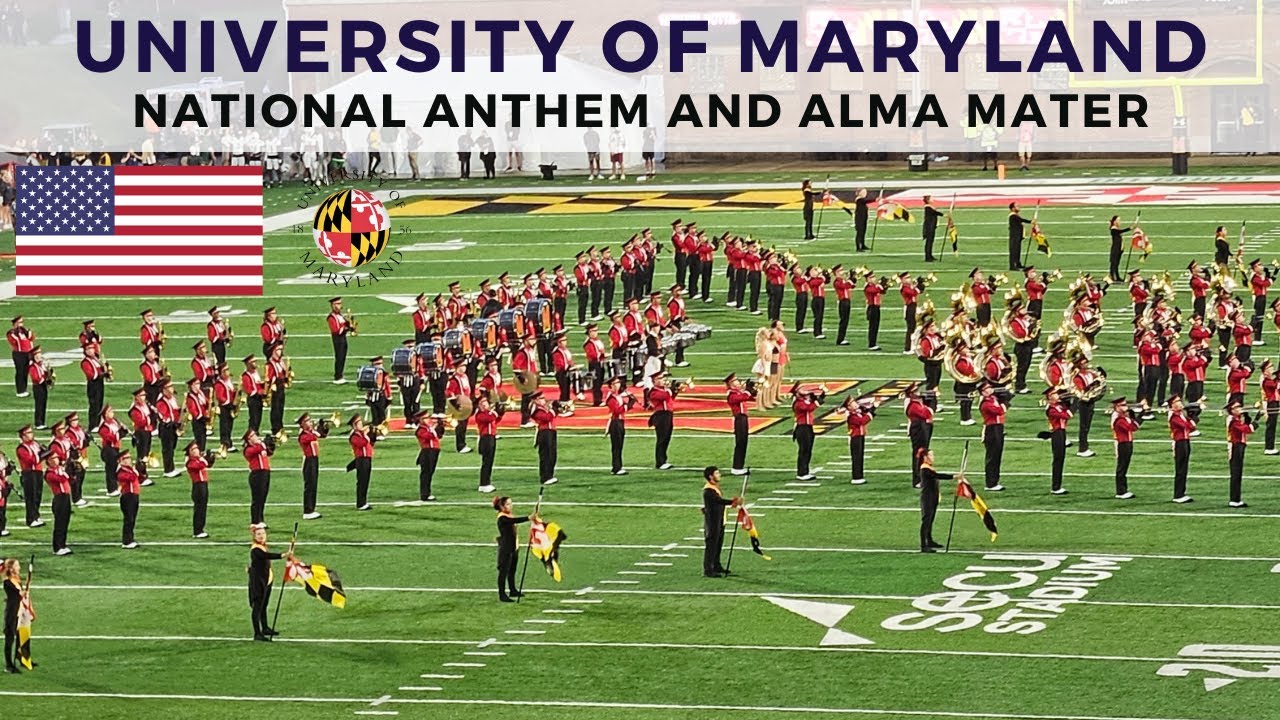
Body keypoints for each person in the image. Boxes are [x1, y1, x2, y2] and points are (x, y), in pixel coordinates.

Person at [248, 525, 289, 641]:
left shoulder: (262, 546)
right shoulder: (256, 549)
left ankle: (265, 628)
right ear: (254, 536)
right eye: (259, 534)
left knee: (264, 605)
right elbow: (266, 556)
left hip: (266, 581)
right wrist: (283, 555)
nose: (261, 536)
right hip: (258, 583)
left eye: (263, 534)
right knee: (257, 607)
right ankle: (257, 633)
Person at [701, 467, 741, 577]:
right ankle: (708, 569)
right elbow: (718, 501)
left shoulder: (714, 488)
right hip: (713, 523)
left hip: (720, 521)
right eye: (717, 473)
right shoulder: (708, 490)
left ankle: (716, 565)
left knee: (718, 545)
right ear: (710, 476)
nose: (719, 475)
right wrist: (733, 502)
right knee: (711, 546)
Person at [917, 449, 957, 553]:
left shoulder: (929, 468)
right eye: (931, 455)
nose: (933, 457)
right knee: (926, 521)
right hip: (927, 498)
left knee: (930, 520)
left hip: (933, 497)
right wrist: (954, 476)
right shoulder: (925, 469)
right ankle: (923, 545)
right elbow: (938, 476)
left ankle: (929, 540)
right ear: (925, 457)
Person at [494, 496, 530, 602]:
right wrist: (528, 517)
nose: (511, 506)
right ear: (501, 506)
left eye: (511, 503)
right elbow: (514, 520)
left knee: (512, 570)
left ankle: (512, 589)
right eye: (508, 504)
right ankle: (502, 594)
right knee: (503, 572)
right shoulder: (502, 518)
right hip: (506, 549)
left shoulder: (508, 515)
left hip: (514, 547)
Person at [838, 397, 876, 485]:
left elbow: (865, 413)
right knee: (856, 458)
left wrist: (872, 407)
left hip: (860, 436)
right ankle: (856, 477)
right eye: (852, 402)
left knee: (860, 457)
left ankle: (860, 476)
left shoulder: (858, 412)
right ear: (849, 406)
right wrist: (872, 410)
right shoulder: (851, 416)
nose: (855, 403)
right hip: (855, 437)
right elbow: (862, 421)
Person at [1110, 398, 1141, 500]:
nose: (1125, 406)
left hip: (1128, 442)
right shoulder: (1118, 419)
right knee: (1121, 467)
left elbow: (1135, 427)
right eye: (1122, 405)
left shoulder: (1123, 417)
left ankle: (1124, 489)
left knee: (1124, 466)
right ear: (1117, 407)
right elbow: (1130, 427)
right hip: (1122, 443)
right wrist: (1134, 418)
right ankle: (1120, 490)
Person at [791, 383, 823, 481]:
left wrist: (822, 393)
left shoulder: (804, 400)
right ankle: (801, 472)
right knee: (804, 450)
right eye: (801, 389)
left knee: (808, 450)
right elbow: (809, 408)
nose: (804, 390)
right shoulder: (798, 403)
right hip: (802, 428)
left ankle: (805, 470)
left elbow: (814, 400)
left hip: (808, 427)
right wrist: (818, 400)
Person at [242, 430, 274, 528]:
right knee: (257, 498)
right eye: (253, 435)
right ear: (249, 439)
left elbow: (269, 452)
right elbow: (259, 449)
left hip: (265, 473)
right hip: (257, 474)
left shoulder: (260, 446)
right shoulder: (248, 449)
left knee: (263, 497)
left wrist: (271, 444)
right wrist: (263, 442)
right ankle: (255, 521)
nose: (256, 436)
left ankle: (260, 519)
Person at [725, 374, 755, 476]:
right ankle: (736, 467)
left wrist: (752, 390)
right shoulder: (731, 394)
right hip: (739, 419)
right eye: (736, 381)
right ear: (731, 384)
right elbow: (743, 397)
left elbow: (750, 397)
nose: (738, 382)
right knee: (740, 442)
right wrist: (747, 390)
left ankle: (739, 466)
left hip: (743, 418)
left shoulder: (737, 392)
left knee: (743, 442)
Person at [1044, 387, 1072, 496]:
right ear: (1050, 397)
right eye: (1054, 394)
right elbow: (1067, 416)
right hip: (1057, 433)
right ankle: (1055, 486)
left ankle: (1058, 485)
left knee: (1061, 459)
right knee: (1058, 460)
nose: (1057, 395)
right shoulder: (1051, 409)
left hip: (1062, 432)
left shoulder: (1059, 406)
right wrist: (1073, 405)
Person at [979, 383, 1006, 491]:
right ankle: (990, 483)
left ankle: (995, 481)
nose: (990, 389)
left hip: (998, 428)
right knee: (992, 457)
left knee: (997, 456)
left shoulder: (993, 398)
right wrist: (1004, 403)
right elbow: (999, 411)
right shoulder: (985, 403)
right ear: (983, 392)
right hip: (991, 429)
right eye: (988, 388)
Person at [1168, 395, 1195, 503]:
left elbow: (1191, 427)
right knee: (1180, 469)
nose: (1180, 403)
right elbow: (1186, 426)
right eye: (1177, 401)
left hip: (1185, 441)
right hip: (1179, 443)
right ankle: (1178, 494)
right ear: (1172, 405)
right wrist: (1192, 418)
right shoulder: (1174, 416)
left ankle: (1181, 493)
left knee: (1184, 468)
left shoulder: (1180, 415)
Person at [44, 452, 72, 555]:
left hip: (66, 497)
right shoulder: (49, 473)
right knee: (59, 523)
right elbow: (62, 479)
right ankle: (57, 547)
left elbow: (69, 480)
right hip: (59, 498)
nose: (56, 460)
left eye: (56, 458)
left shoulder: (59, 469)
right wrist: (68, 472)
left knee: (65, 522)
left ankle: (63, 545)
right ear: (48, 461)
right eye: (53, 458)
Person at [605, 377, 634, 476]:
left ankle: (618, 466)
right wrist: (628, 405)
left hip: (620, 421)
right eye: (616, 383)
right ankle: (616, 467)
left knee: (619, 445)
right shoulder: (611, 397)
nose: (618, 385)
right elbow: (617, 410)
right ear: (611, 385)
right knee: (616, 446)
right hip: (615, 422)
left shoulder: (617, 396)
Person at [474, 396, 504, 493]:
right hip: (485, 438)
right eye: (484, 402)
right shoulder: (480, 414)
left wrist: (500, 413)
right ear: (480, 405)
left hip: (491, 437)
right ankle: (484, 483)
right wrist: (495, 411)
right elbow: (490, 418)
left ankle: (486, 482)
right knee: (486, 462)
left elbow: (495, 420)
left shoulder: (487, 413)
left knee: (489, 461)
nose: (486, 403)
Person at [347, 415, 376, 510]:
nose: (361, 425)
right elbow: (362, 443)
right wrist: (365, 434)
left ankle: (364, 502)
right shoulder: (354, 436)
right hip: (361, 460)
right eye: (359, 423)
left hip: (367, 459)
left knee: (366, 481)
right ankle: (360, 503)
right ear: (354, 426)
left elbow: (370, 444)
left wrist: (373, 434)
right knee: (362, 482)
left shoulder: (361, 434)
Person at [530, 393, 559, 486]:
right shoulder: (536, 409)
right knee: (545, 455)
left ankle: (550, 475)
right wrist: (554, 409)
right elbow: (547, 418)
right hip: (544, 433)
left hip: (551, 431)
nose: (544, 400)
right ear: (536, 400)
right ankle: (545, 477)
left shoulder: (544, 407)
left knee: (552, 455)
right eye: (541, 398)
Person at [649, 373, 677, 470]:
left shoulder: (664, 390)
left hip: (668, 414)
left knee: (667, 438)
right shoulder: (653, 392)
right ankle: (660, 462)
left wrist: (675, 389)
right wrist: (671, 388)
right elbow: (665, 396)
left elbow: (670, 398)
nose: (662, 380)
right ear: (654, 381)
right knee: (661, 439)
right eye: (660, 378)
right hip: (661, 416)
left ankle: (664, 460)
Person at [415, 413, 445, 502]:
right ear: (421, 420)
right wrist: (434, 426)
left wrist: (440, 425)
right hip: (427, 452)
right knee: (426, 474)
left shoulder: (430, 428)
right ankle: (425, 494)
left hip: (434, 452)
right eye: (426, 418)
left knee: (430, 473)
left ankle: (427, 493)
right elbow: (429, 436)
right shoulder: (420, 430)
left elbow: (439, 435)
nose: (430, 420)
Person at [116, 448, 141, 549]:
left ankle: (130, 538)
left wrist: (142, 470)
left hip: (134, 495)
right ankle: (126, 541)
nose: (130, 460)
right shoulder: (121, 472)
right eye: (127, 458)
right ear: (122, 461)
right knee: (129, 519)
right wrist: (136, 469)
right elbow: (131, 478)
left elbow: (140, 478)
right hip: (128, 497)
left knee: (132, 519)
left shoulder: (129, 470)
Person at [6, 316, 36, 399]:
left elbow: (31, 338)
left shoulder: (24, 331)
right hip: (19, 354)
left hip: (28, 353)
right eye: (20, 322)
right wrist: (18, 332)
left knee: (25, 372)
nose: (22, 324)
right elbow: (15, 341)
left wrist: (28, 332)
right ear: (15, 323)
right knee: (20, 372)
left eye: (22, 322)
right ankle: (20, 390)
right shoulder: (11, 332)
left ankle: (24, 389)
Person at [327, 297, 353, 384]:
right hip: (338, 339)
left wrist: (350, 325)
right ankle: (337, 376)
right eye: (338, 304)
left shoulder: (341, 316)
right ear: (333, 305)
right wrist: (345, 327)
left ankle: (341, 375)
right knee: (339, 357)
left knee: (343, 357)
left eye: (340, 303)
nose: (340, 306)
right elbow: (336, 330)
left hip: (343, 338)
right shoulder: (331, 317)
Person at [3, 558, 23, 673]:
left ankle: (20, 658)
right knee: (9, 640)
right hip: (11, 614)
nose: (19, 568)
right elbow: (17, 594)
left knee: (20, 637)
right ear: (11, 569)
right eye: (17, 565)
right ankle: (9, 665)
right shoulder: (8, 582)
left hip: (19, 612)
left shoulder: (17, 581)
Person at [1007, 203, 1031, 271]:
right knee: (1013, 251)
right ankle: (1012, 266)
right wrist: (1031, 221)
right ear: (1013, 208)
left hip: (1017, 236)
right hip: (1014, 236)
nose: (1019, 207)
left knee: (1017, 251)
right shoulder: (1013, 216)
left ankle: (1018, 264)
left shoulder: (1015, 215)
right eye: (1017, 206)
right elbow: (1021, 220)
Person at [1107, 217, 1130, 282]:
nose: (1120, 222)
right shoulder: (1113, 229)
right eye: (1118, 220)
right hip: (1115, 248)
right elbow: (1120, 231)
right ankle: (1113, 277)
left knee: (1116, 264)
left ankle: (1117, 277)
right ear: (1114, 221)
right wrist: (1130, 228)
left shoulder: (1116, 228)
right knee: (1114, 263)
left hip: (1118, 248)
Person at [921, 195, 942, 262]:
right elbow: (934, 213)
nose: (932, 199)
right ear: (928, 200)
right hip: (929, 227)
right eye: (930, 198)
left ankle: (930, 255)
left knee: (931, 242)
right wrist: (943, 215)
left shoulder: (930, 207)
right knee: (929, 242)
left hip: (931, 226)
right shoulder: (927, 207)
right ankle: (927, 257)